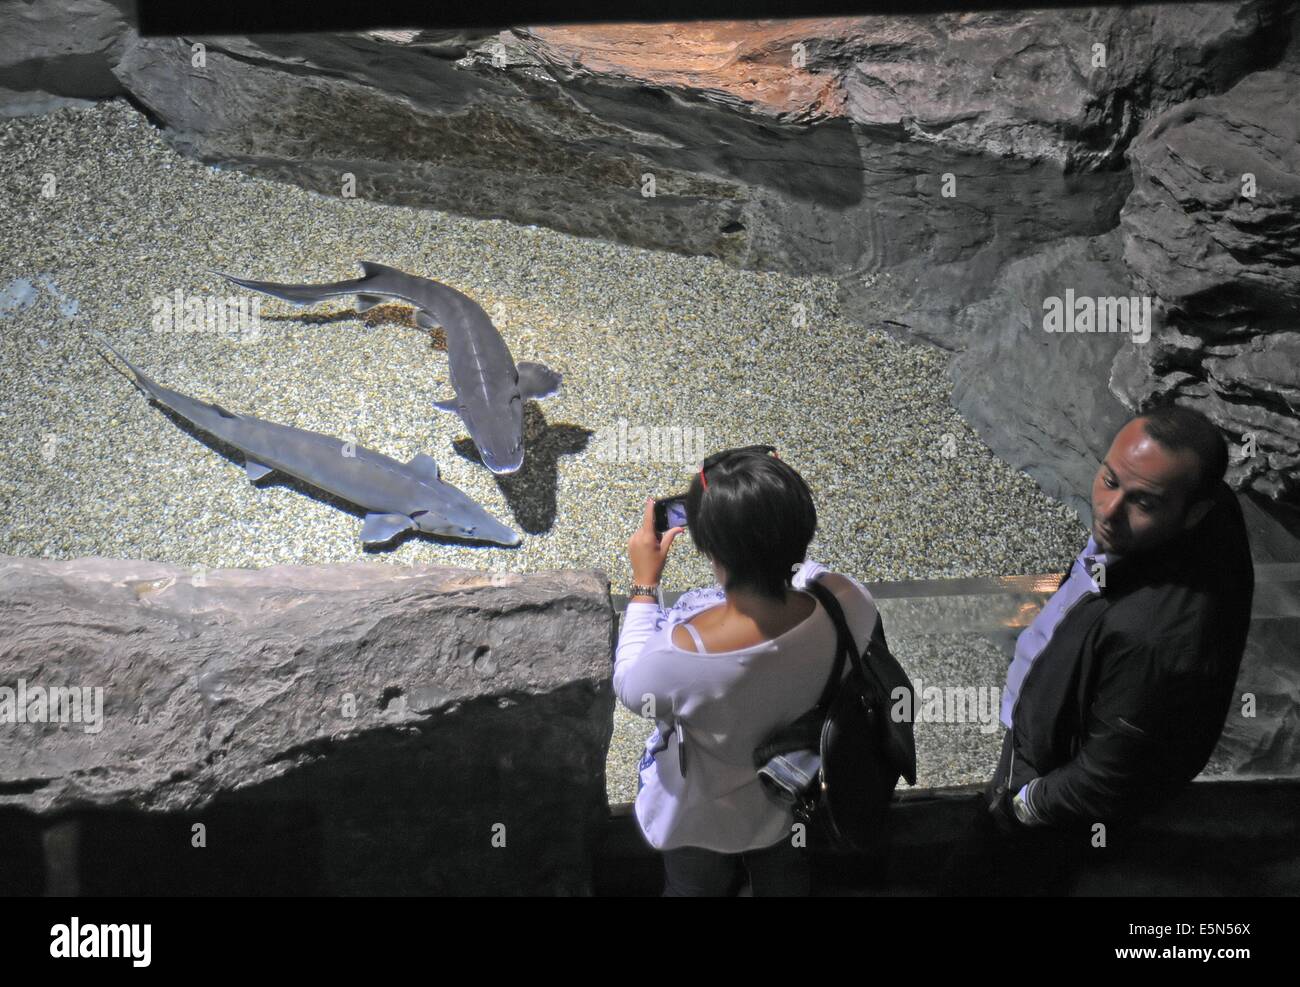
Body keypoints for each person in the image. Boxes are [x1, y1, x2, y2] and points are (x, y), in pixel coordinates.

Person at [940, 405, 1255, 895]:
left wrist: (1022, 806)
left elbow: (1103, 778)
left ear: (1195, 511)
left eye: (1143, 504)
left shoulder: (1150, 637)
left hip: (1043, 788)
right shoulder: (1206, 517)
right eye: (1109, 480)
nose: (1108, 511)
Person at [612, 445, 879, 896]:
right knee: (784, 871)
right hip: (794, 794)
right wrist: (767, 501)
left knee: (693, 886)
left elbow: (630, 685)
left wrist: (644, 586)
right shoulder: (848, 603)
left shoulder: (683, 653)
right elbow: (807, 570)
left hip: (699, 817)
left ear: (707, 548)